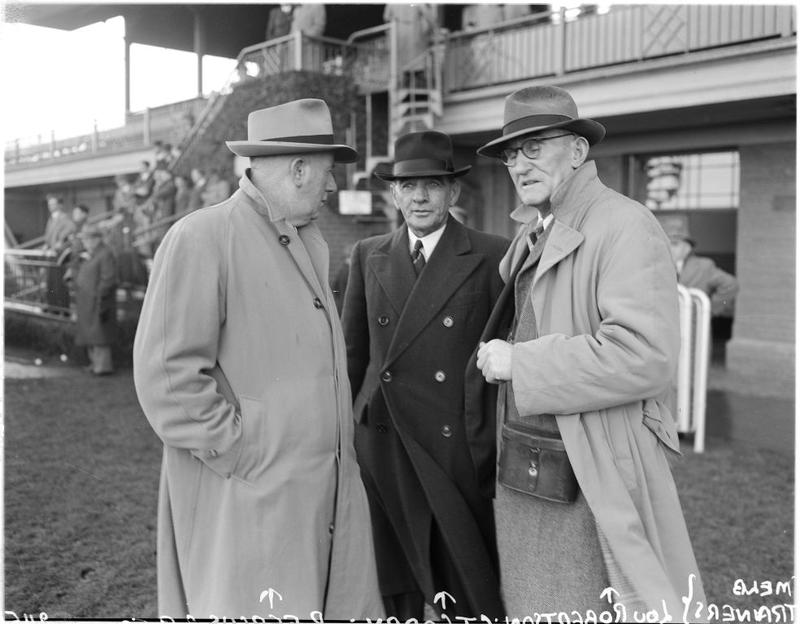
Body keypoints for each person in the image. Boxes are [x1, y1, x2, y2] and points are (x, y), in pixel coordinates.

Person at [133, 98, 383, 619]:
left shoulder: (305, 240)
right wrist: (243, 452)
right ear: (297, 169)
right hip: (249, 500)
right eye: (328, 172)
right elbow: (167, 377)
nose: (333, 186)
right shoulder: (201, 235)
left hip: (314, 497)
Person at [474, 85, 707, 617]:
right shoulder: (535, 230)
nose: (519, 164)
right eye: (512, 154)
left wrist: (522, 361)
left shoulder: (626, 224)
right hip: (528, 468)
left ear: (577, 151)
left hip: (592, 471)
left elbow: (643, 357)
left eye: (534, 147)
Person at [341, 130, 507, 620]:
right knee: (395, 576)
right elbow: (353, 354)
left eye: (432, 185)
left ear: (453, 192)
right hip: (385, 440)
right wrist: (345, 429)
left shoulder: (493, 253)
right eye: (408, 186)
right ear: (393, 192)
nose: (419, 197)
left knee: (464, 572)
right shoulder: (367, 253)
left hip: (456, 441)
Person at [659, 213, 739, 316]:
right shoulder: (657, 267)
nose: (670, 248)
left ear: (687, 247)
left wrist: (708, 309)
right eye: (667, 244)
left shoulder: (703, 266)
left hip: (694, 327)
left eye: (675, 244)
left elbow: (730, 285)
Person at [73, 224, 117, 375]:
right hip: (88, 301)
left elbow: (108, 278)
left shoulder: (105, 254)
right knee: (91, 335)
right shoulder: (91, 254)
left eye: (86, 239)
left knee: (100, 335)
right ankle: (95, 364)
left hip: (99, 301)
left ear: (96, 239)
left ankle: (103, 367)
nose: (84, 242)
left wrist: (100, 295)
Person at [43, 195, 76, 310]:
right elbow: (48, 237)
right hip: (51, 255)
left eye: (53, 204)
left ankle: (63, 308)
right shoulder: (51, 219)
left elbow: (71, 229)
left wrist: (60, 241)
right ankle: (52, 306)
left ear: (60, 205)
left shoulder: (64, 218)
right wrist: (46, 245)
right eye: (49, 204)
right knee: (51, 282)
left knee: (59, 284)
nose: (50, 206)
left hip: (60, 256)